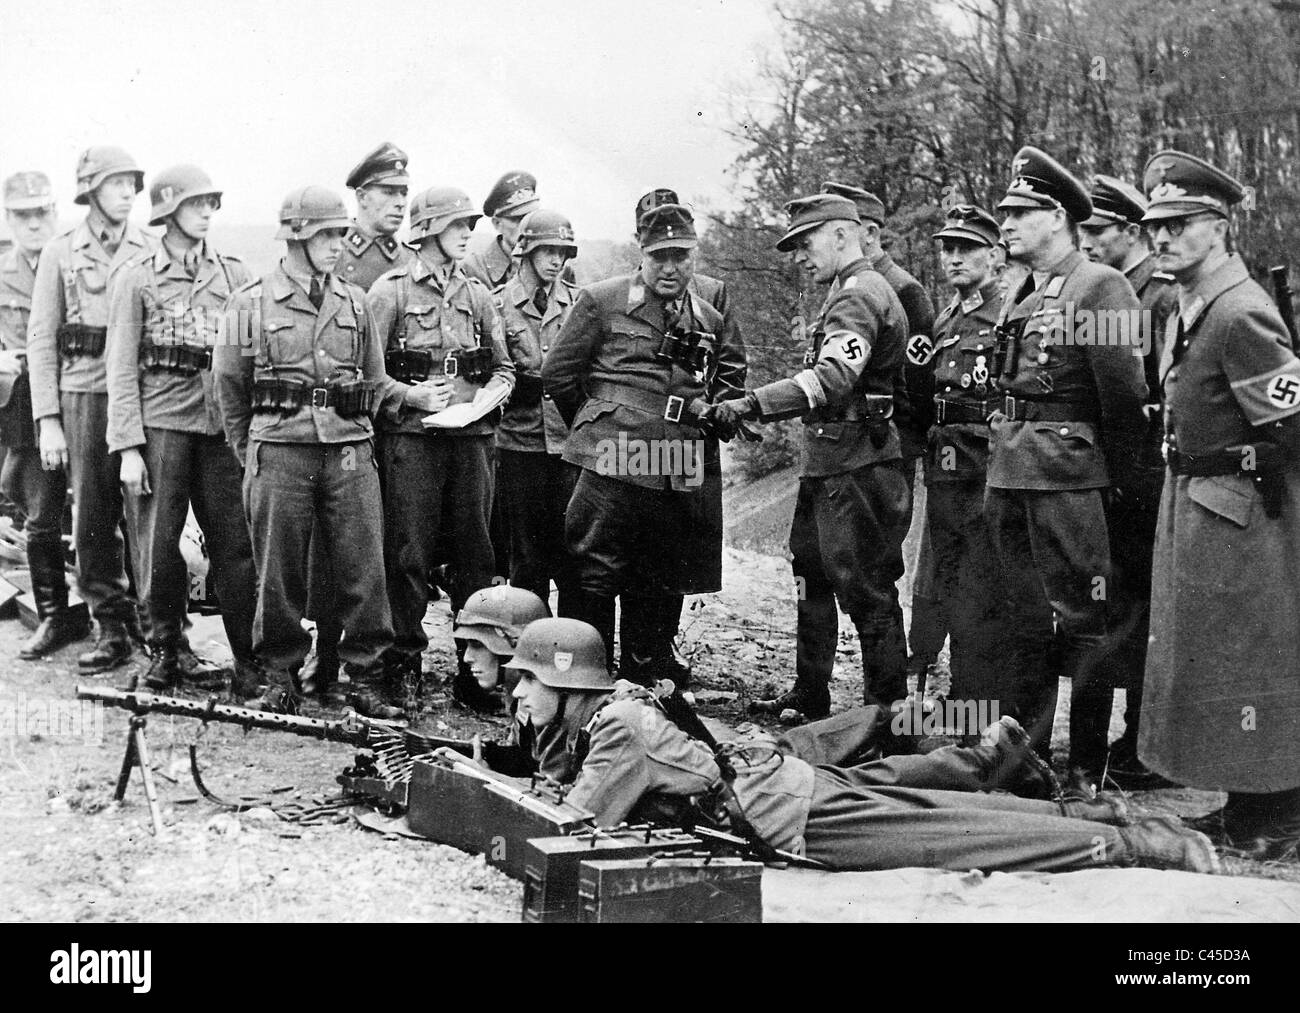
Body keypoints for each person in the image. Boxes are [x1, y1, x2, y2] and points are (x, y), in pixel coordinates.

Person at [492, 617, 1219, 874]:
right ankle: (1114, 821)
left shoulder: (617, 724)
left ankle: (1141, 845)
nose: (516, 696)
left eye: (524, 680)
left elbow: (569, 827)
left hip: (791, 814)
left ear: (566, 678)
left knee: (964, 837)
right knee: (940, 809)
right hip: (783, 789)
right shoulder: (609, 711)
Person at [1137, 150, 1300, 860]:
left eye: (1180, 224)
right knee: (1218, 662)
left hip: (1247, 514)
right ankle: (1243, 804)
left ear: (1220, 228)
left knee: (1257, 657)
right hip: (1199, 505)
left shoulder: (1240, 312)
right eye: (1155, 226)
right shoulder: (1187, 304)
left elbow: (1292, 425)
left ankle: (1281, 812)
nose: (1162, 239)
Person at [987, 147, 1147, 785]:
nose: (1008, 223)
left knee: (1085, 622)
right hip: (1012, 472)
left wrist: (1120, 486)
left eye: (1022, 212)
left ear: (1058, 217)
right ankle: (1027, 762)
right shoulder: (1026, 294)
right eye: (1005, 212)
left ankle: (1085, 767)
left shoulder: (1100, 285)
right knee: (1023, 620)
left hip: (1069, 477)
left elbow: (1124, 398)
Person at [721, 194, 911, 719]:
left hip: (857, 466)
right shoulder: (842, 292)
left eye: (806, 243)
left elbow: (832, 379)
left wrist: (753, 403)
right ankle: (811, 692)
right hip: (827, 462)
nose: (800, 256)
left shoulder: (859, 294)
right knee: (810, 574)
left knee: (867, 588)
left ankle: (887, 717)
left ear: (843, 235)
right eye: (795, 247)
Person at [214, 185, 397, 714]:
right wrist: (249, 450)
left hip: (347, 449)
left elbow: (374, 379)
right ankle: (280, 674)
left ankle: (364, 677)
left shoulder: (356, 303)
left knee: (364, 567)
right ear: (297, 237)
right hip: (280, 450)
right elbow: (229, 383)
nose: (338, 244)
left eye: (342, 233)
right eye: (327, 234)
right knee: (278, 572)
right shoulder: (248, 302)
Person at [543, 202, 747, 678]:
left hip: (676, 462)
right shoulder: (602, 299)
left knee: (659, 574)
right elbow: (558, 373)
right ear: (642, 254)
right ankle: (585, 676)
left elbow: (730, 377)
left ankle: (643, 677)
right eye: (660, 257)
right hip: (612, 457)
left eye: (681, 256)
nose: (671, 268)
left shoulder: (709, 316)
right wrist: (598, 426)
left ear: (694, 256)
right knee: (594, 571)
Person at [105, 164, 258, 693]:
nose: (207, 213)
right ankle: (165, 652)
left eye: (212, 204)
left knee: (236, 548)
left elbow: (242, 356)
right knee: (157, 547)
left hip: (219, 431)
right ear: (168, 211)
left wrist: (246, 431)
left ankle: (250, 661)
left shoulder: (234, 275)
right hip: (162, 428)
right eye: (197, 204)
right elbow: (120, 364)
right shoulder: (135, 276)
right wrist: (127, 446)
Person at [366, 186, 515, 713]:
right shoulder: (390, 293)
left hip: (471, 442)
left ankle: (475, 673)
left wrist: (489, 399)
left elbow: (504, 368)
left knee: (476, 558)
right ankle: (405, 664)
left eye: (470, 225)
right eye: (457, 225)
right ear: (428, 229)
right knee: (408, 556)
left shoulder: (477, 295)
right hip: (413, 443)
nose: (467, 233)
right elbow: (367, 378)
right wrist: (412, 395)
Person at [910, 205, 1046, 715]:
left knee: (980, 596)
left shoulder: (1012, 310)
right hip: (945, 471)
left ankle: (981, 709)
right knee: (938, 588)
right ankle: (959, 704)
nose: (953, 258)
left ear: (995, 254)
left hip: (985, 470)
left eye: (966, 247)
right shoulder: (947, 315)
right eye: (947, 248)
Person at [26, 145, 155, 673]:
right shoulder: (62, 252)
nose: (128, 193)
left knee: (146, 512)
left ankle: (159, 628)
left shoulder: (150, 245)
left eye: (132, 183)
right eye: (117, 183)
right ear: (91, 191)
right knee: (94, 518)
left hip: (141, 392)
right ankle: (111, 625)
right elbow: (42, 338)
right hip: (83, 393)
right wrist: (48, 420)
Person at [300, 142, 414, 707]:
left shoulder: (412, 259)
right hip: (349, 426)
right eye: (388, 193)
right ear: (362, 196)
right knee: (331, 549)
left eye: (404, 194)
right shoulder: (339, 259)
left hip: (399, 428)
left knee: (385, 550)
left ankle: (382, 663)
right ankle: (323, 657)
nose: (398, 203)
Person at [619, 187, 744, 687]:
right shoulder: (620, 295)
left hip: (692, 437)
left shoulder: (711, 293)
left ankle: (661, 650)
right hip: (638, 441)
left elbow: (731, 362)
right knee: (631, 549)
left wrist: (721, 406)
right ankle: (633, 657)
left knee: (678, 551)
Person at [1078, 174, 1178, 788]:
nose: (1086, 241)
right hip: (1112, 474)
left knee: (1141, 611)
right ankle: (1115, 742)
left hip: (1143, 477)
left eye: (1097, 230)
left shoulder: (1158, 296)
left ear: (1129, 231)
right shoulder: (1108, 291)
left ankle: (1141, 746)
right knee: (1112, 609)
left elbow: (1157, 396)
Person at [0, 171, 88, 660]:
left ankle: (125, 620)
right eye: (23, 215)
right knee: (40, 515)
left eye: (41, 213)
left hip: (82, 398)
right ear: (9, 219)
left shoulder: (78, 263)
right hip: (28, 411)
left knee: (102, 512)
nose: (34, 223)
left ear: (55, 214)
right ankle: (54, 616)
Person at [495, 210, 580, 606]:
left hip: (568, 445)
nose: (556, 261)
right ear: (525, 251)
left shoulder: (579, 304)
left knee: (572, 553)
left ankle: (572, 652)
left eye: (563, 252)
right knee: (526, 558)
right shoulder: (497, 305)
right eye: (548, 250)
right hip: (519, 445)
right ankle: (528, 651)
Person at [451, 583, 551, 774]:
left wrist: (486, 775)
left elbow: (551, 792)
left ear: (512, 647)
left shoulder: (548, 702)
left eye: (477, 645)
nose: (467, 658)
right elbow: (527, 758)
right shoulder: (520, 692)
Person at [462, 171, 540, 291]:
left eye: (531, 217)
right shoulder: (474, 268)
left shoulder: (552, 262)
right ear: (497, 224)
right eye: (517, 220)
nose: (526, 227)